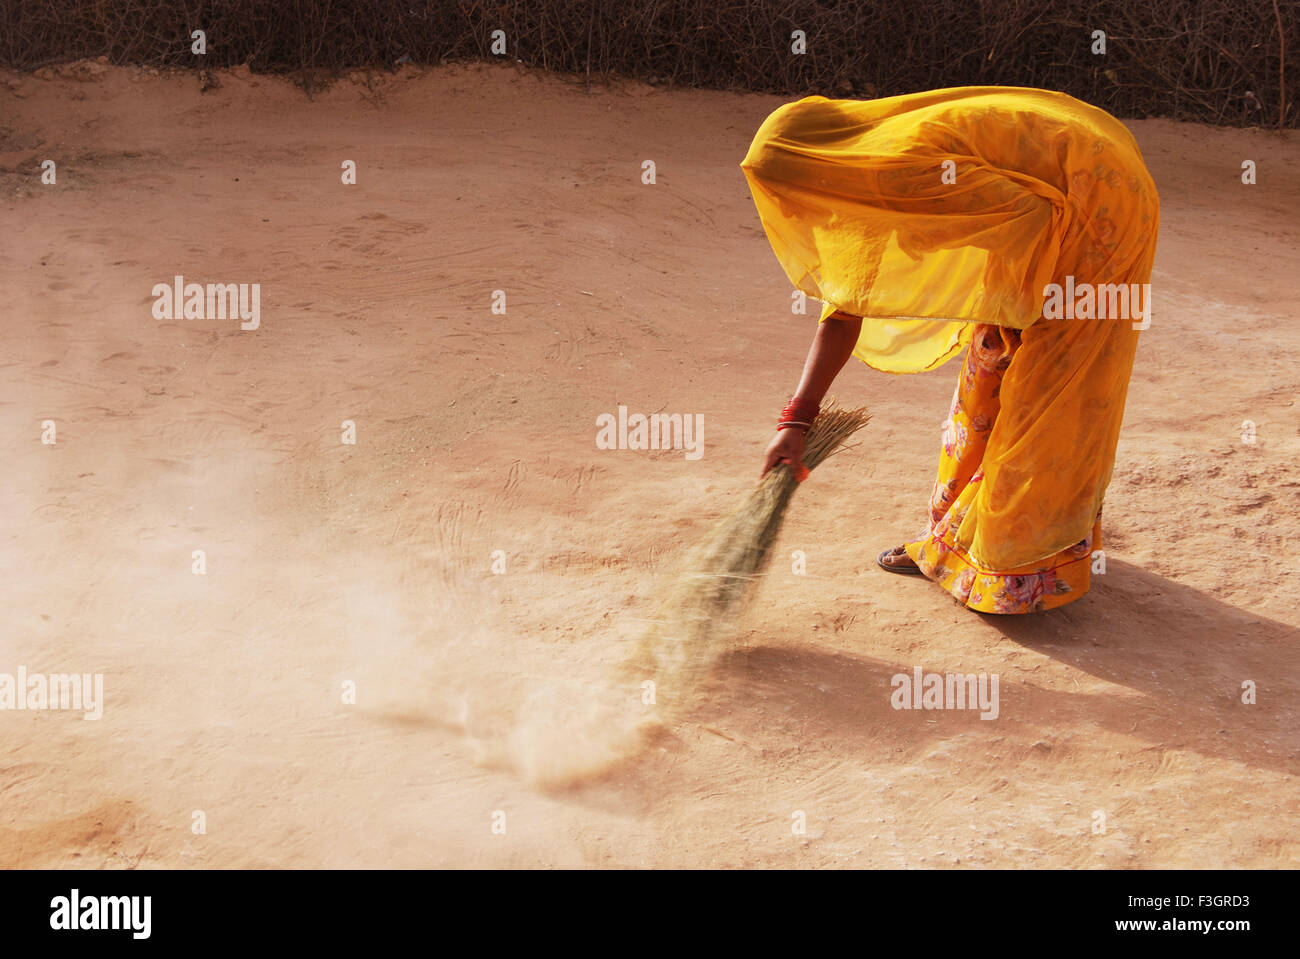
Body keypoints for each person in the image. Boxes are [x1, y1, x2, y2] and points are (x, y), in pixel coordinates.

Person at [743, 87, 1160, 614]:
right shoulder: (862, 174)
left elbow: (1026, 220)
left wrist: (939, 238)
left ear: (819, 169)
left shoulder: (897, 168)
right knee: (993, 357)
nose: (796, 214)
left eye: (792, 198)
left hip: (1101, 207)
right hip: (1058, 193)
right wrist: (796, 419)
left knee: (1045, 390)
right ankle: (951, 542)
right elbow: (846, 307)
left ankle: (1017, 569)